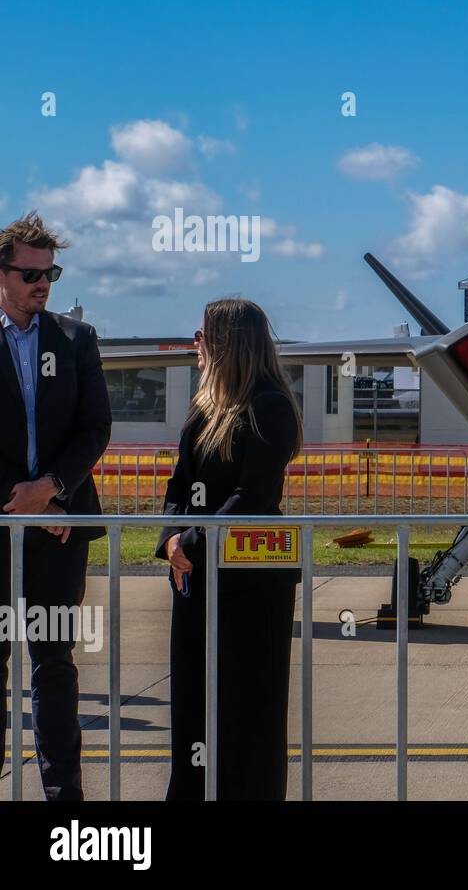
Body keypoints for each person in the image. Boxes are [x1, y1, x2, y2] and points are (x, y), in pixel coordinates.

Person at [156, 298, 302, 800]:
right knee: (193, 705)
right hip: (196, 576)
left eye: (201, 336)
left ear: (226, 343)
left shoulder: (271, 406)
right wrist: (171, 538)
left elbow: (254, 496)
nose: (195, 344)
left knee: (248, 708)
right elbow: (180, 486)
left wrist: (191, 543)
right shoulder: (204, 407)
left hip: (250, 581)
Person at [0, 212, 111, 801]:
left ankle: (64, 799)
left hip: (61, 528)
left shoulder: (76, 339)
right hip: (3, 523)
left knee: (54, 662)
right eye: (29, 274)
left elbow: (96, 428)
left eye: (51, 273)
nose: (42, 284)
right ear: (2, 273)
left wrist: (53, 491)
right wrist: (18, 501)